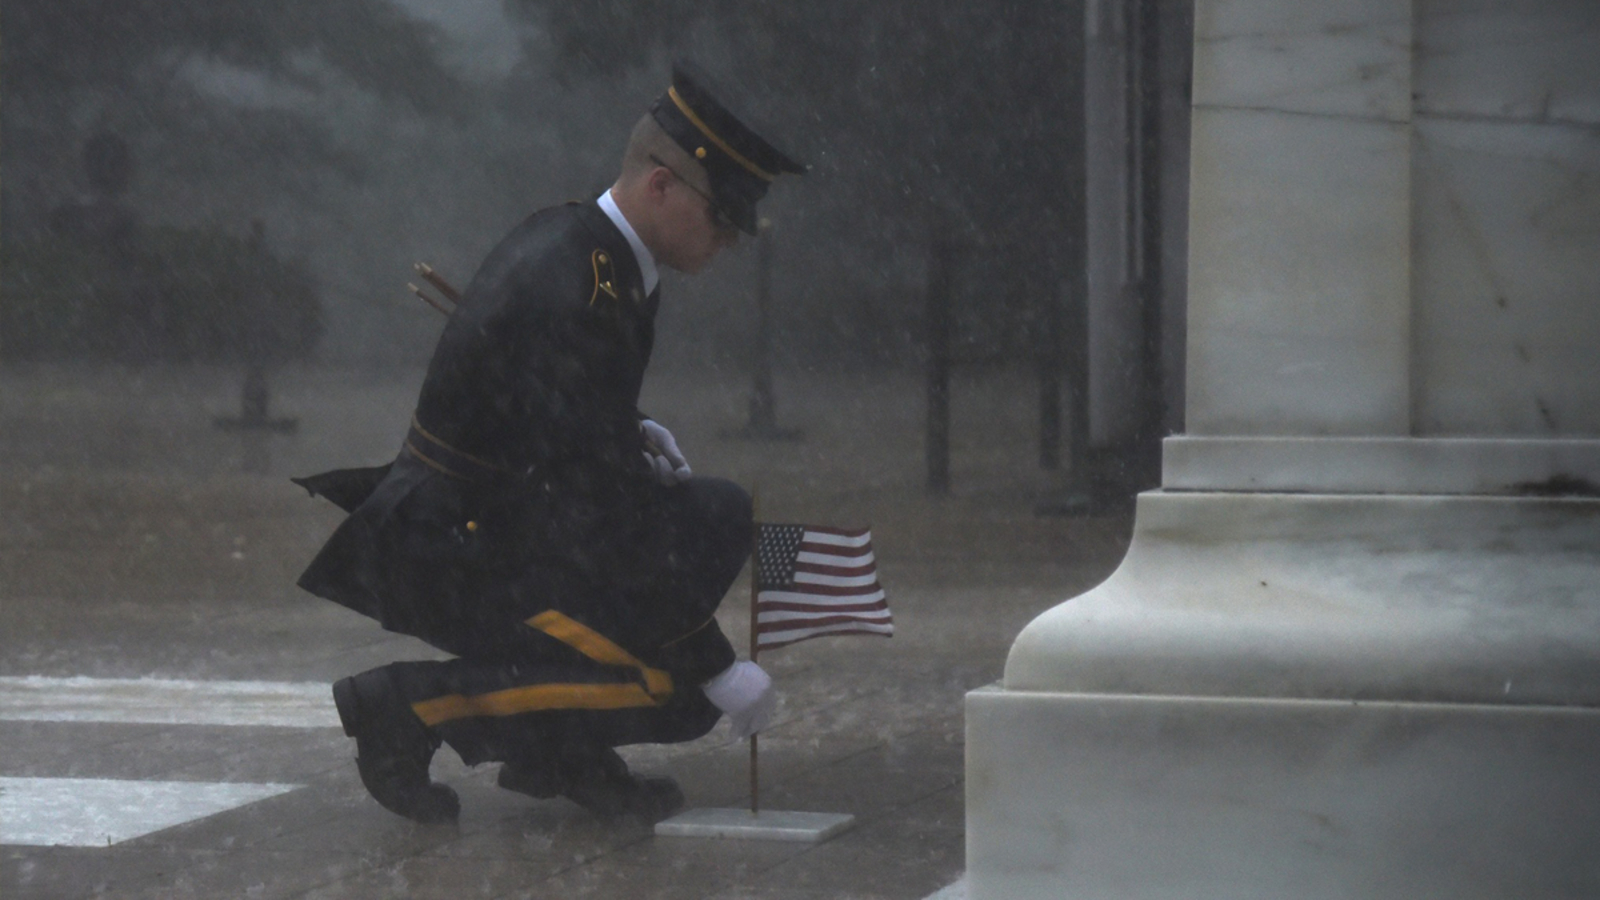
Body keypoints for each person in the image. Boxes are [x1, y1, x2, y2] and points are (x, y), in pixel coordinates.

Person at [294, 62, 804, 825]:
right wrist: (716, 660)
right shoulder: (580, 282)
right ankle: (407, 708)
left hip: (495, 521)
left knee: (720, 512)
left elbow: (554, 426)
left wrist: (625, 431)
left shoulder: (589, 246)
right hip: (461, 548)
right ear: (662, 186)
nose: (728, 239)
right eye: (721, 217)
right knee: (678, 687)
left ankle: (555, 752)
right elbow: (593, 510)